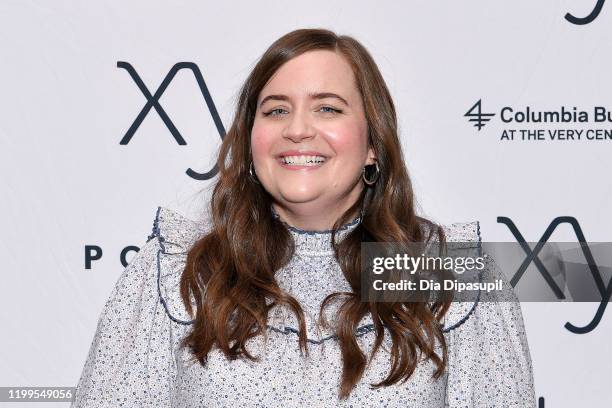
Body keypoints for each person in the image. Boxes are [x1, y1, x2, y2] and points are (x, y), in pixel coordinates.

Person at [72, 28, 536, 407]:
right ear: (251, 143)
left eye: (327, 108)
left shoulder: (449, 274)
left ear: (374, 145)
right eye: (275, 110)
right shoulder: (177, 273)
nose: (297, 129)